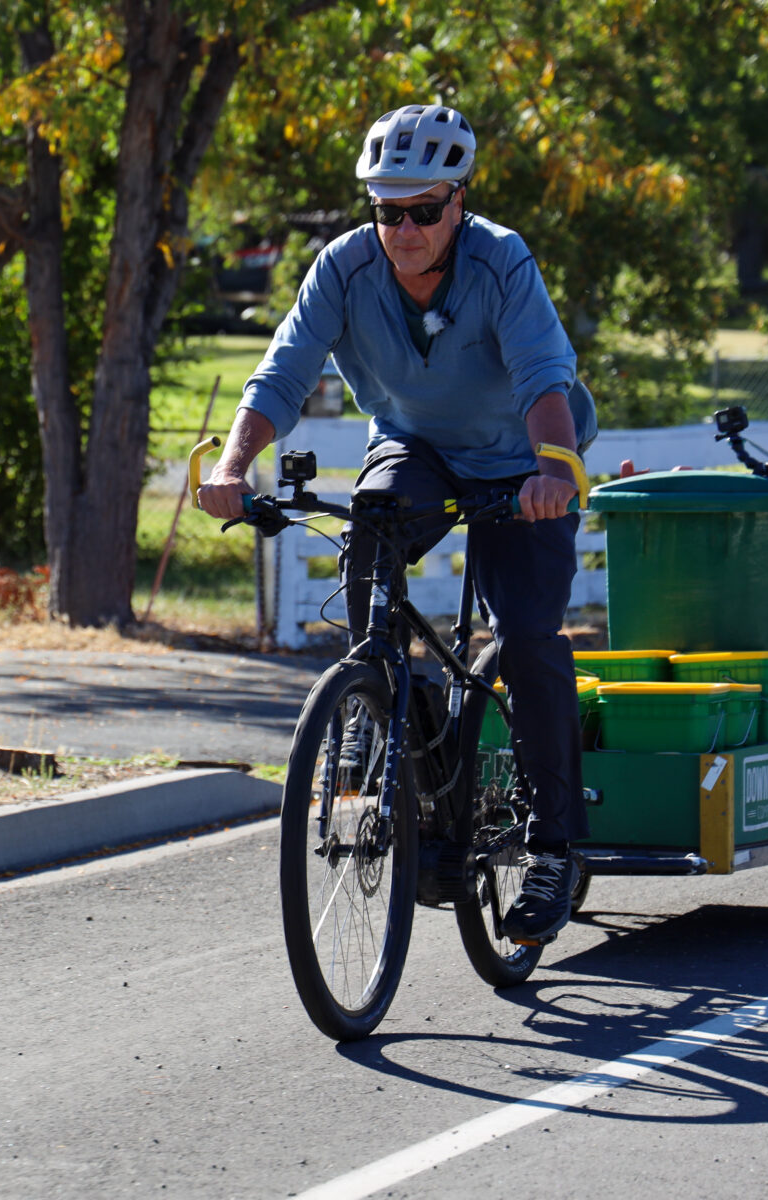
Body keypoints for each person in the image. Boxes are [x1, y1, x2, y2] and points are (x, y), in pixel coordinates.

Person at [197, 102, 597, 943]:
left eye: (423, 209)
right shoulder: (343, 270)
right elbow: (281, 376)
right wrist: (234, 467)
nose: (405, 228)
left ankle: (555, 847)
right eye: (388, 210)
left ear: (459, 201)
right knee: (368, 533)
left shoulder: (501, 263)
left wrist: (554, 473)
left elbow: (542, 379)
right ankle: (372, 707)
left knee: (527, 635)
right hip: (416, 445)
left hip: (523, 457)